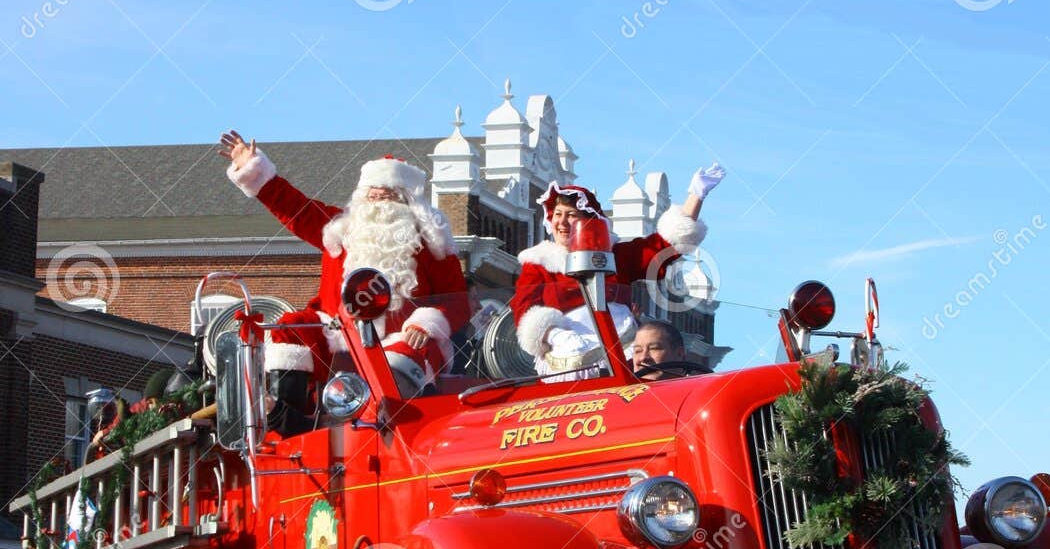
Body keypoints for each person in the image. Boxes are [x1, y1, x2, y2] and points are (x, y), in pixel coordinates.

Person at [218, 132, 470, 419]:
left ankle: (395, 426)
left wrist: (426, 324)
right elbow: (294, 208)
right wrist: (253, 168)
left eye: (387, 195)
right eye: (371, 193)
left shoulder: (431, 245)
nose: (378, 201)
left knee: (404, 354)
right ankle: (288, 420)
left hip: (404, 338)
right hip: (338, 333)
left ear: (407, 202)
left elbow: (458, 302)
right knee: (290, 328)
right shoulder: (339, 229)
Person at [512, 166, 724, 380]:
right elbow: (525, 311)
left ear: (589, 221)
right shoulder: (538, 263)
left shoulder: (613, 256)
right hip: (569, 362)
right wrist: (554, 335)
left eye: (571, 215)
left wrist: (696, 195)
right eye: (558, 214)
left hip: (621, 354)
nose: (562, 222)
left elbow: (663, 247)